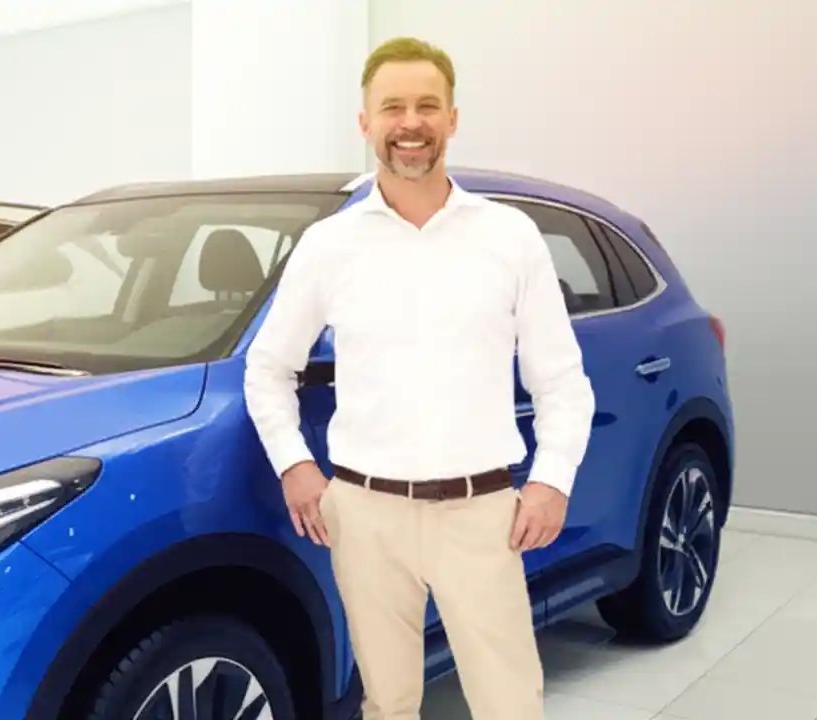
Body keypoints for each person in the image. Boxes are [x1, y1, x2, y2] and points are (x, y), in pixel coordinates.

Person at [242, 36, 596, 719]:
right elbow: (268, 367)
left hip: (481, 514)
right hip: (365, 515)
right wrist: (295, 466)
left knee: (510, 703)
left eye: (428, 106)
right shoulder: (331, 245)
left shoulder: (508, 236)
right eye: (393, 107)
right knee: (389, 702)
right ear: (366, 123)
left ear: (453, 119)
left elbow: (562, 380)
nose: (411, 123)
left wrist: (552, 480)